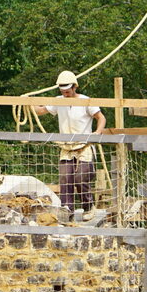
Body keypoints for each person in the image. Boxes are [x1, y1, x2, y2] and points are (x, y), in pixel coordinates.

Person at [32, 71, 105, 212]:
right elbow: (40, 111)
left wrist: (97, 132)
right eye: (63, 91)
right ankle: (67, 210)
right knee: (65, 178)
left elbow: (101, 118)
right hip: (66, 147)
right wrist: (28, 102)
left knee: (81, 178)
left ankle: (88, 207)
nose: (65, 93)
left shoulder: (85, 100)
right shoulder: (58, 100)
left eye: (67, 91)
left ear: (74, 87)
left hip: (84, 146)